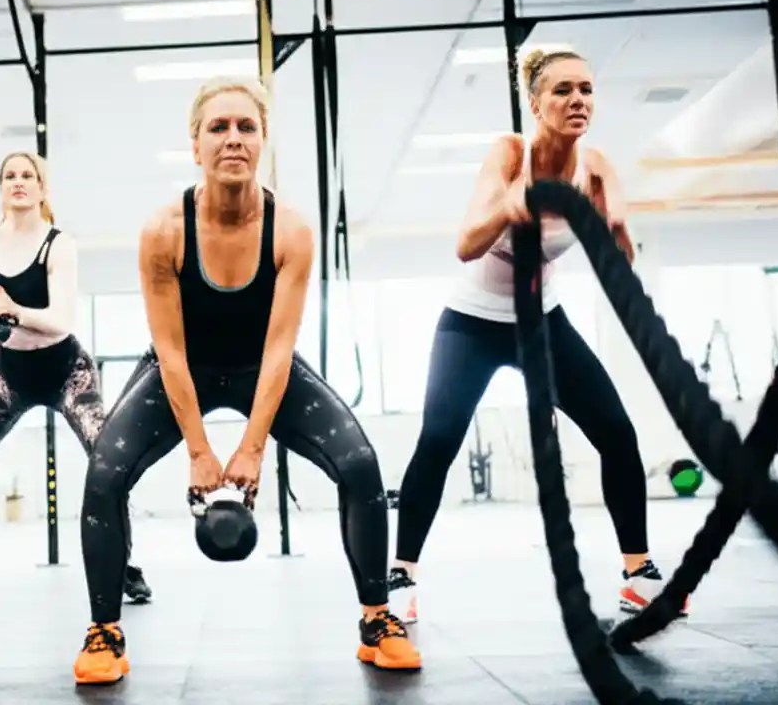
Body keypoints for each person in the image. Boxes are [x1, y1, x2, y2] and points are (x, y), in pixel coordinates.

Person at [70, 76, 421, 686]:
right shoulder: (164, 231)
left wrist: (253, 448)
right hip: (182, 368)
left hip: (264, 367)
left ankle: (376, 620)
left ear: (263, 142)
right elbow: (171, 354)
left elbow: (280, 347)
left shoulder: (290, 231)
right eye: (218, 127)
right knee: (104, 473)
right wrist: (201, 452)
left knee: (360, 465)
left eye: (246, 127)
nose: (233, 139)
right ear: (195, 144)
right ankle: (105, 630)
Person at [388, 48, 687, 621]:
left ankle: (638, 572)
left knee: (617, 434)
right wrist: (509, 205)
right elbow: (466, 244)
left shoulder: (594, 166)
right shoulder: (509, 155)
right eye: (563, 90)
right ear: (535, 102)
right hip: (472, 322)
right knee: (440, 439)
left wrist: (618, 232)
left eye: (586, 90)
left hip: (542, 322)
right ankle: (400, 576)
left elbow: (619, 243)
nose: (578, 100)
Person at [0, 151, 153, 610]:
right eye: (10, 175)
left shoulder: (59, 244)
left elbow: (61, 321)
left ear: (41, 188)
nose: (18, 182)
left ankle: (125, 565)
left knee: (108, 462)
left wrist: (15, 310)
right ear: (1, 187)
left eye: (27, 175)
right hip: (7, 374)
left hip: (65, 371)